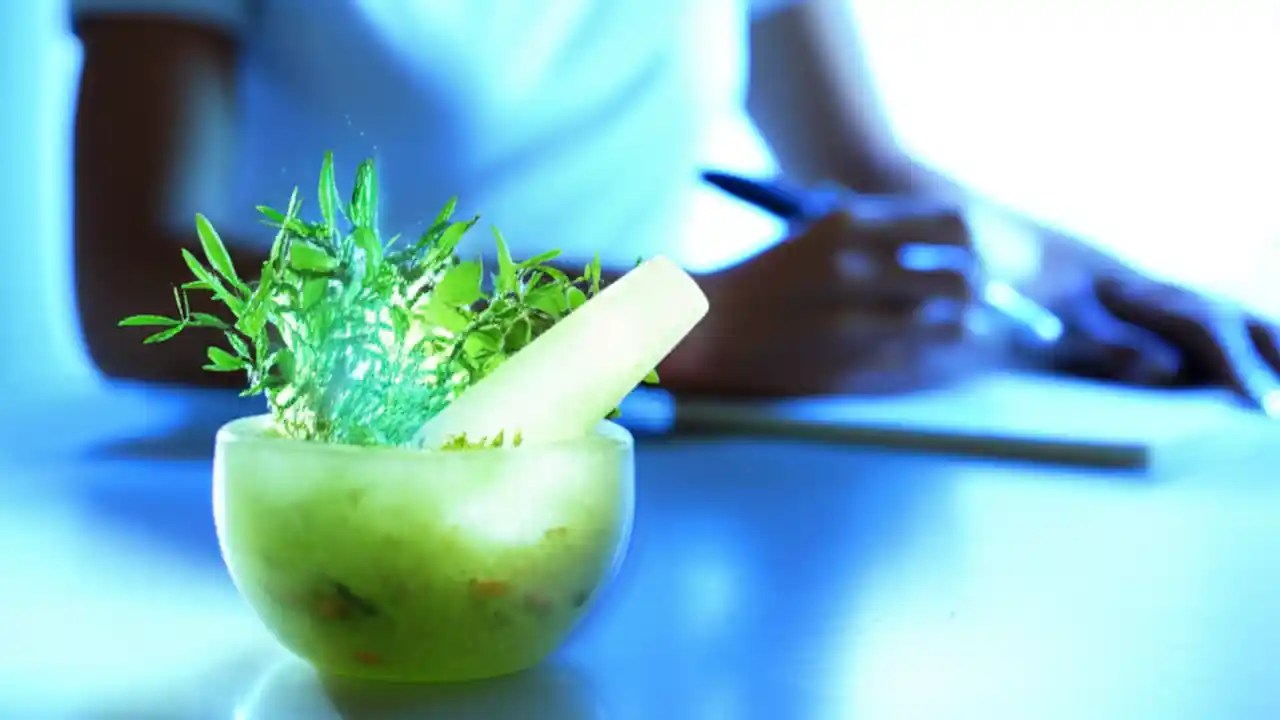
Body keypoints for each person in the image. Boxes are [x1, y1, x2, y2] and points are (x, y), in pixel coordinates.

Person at [71, 0, 1280, 406]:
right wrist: (655, 331)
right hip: (313, 501)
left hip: (633, 477)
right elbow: (134, 285)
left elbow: (858, 166)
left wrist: (1102, 285)